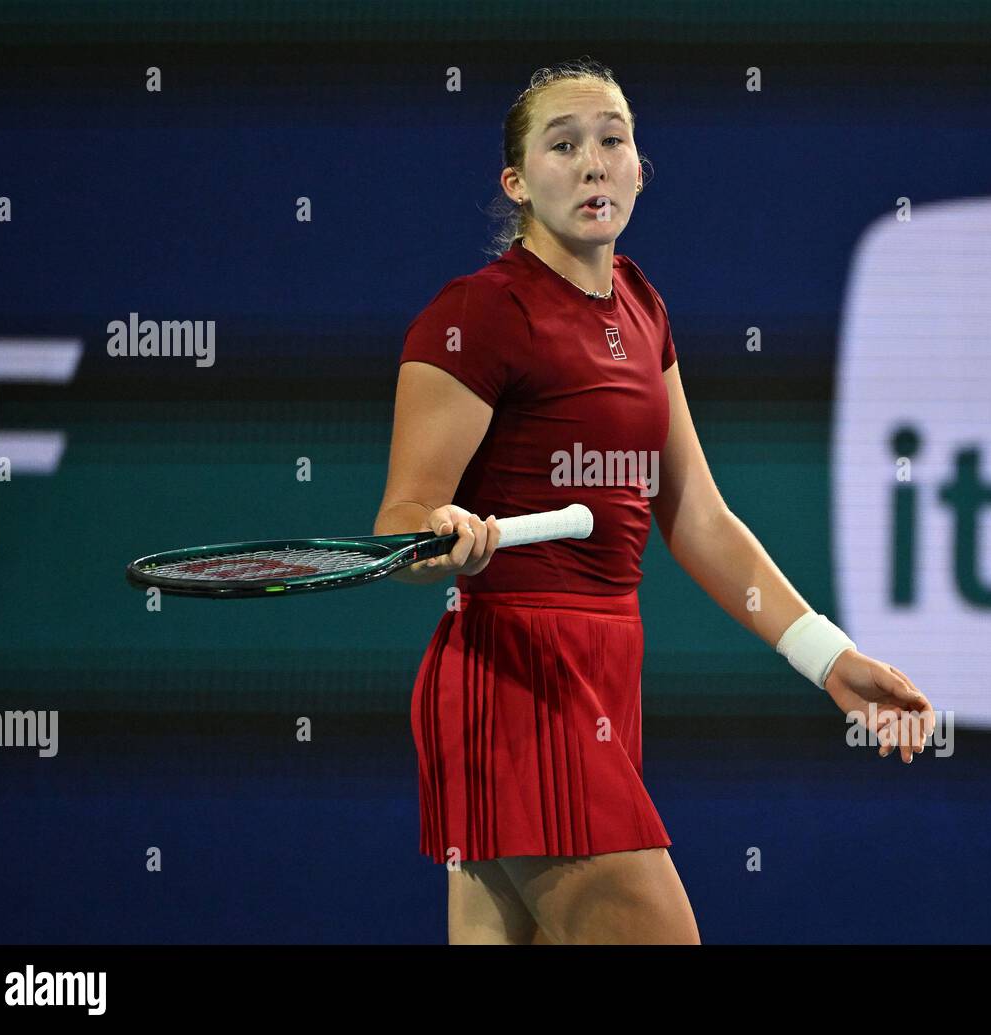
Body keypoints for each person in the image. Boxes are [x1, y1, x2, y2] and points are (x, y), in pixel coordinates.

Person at [373, 58, 935, 945]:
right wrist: (442, 534)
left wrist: (829, 656)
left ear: (640, 168)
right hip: (517, 674)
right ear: (516, 181)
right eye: (564, 145)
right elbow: (401, 520)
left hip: (603, 672)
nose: (594, 162)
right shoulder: (477, 315)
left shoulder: (640, 306)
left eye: (613, 140)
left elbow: (698, 518)